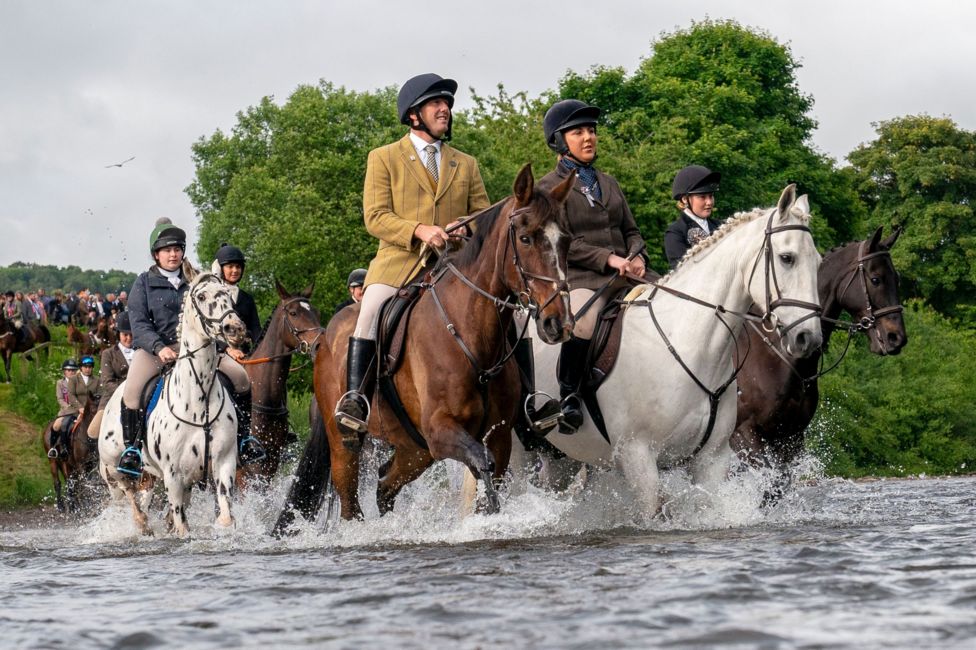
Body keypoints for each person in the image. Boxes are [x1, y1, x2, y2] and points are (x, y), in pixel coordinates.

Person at [333, 72, 491, 437]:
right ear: (414, 114)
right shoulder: (384, 157)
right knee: (370, 311)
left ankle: (529, 400)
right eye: (436, 103)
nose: (445, 109)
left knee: (504, 314)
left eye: (447, 103)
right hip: (399, 265)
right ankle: (356, 400)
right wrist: (419, 230)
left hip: (456, 267)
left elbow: (484, 216)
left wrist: (465, 226)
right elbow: (375, 216)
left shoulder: (465, 163)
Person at [117, 218, 264, 478]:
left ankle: (244, 441)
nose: (173, 254)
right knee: (131, 391)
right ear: (156, 254)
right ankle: (133, 449)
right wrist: (158, 346)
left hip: (201, 349)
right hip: (155, 350)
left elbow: (213, 315)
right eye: (167, 250)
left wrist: (224, 345)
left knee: (241, 379)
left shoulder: (196, 280)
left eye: (177, 249)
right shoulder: (144, 283)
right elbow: (138, 323)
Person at [538, 99, 648, 434]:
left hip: (627, 273)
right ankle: (569, 394)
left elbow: (631, 230)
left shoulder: (609, 183)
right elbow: (563, 240)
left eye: (591, 131)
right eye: (578, 132)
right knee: (583, 321)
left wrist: (637, 254)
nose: (589, 138)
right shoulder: (547, 189)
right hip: (585, 276)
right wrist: (608, 259)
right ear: (559, 141)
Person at [88, 312, 134, 452]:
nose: (129, 338)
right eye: (125, 334)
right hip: (112, 397)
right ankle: (95, 460)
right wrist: (126, 393)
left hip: (139, 397)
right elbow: (107, 382)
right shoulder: (108, 354)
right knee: (92, 432)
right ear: (118, 334)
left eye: (131, 334)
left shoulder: (141, 352)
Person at [663, 165, 722, 269]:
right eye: (702, 197)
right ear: (685, 199)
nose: (709, 202)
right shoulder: (675, 233)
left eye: (711, 196)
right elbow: (681, 273)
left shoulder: (721, 226)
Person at [211, 243, 262, 354]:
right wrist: (226, 348)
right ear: (221, 269)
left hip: (244, 352)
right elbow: (210, 330)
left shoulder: (247, 298)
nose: (235, 270)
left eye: (238, 267)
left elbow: (255, 328)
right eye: (230, 266)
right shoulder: (213, 297)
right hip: (220, 353)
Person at [50, 359, 85, 459]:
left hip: (79, 411)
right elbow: (60, 398)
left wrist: (80, 409)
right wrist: (68, 407)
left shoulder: (80, 383)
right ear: (64, 371)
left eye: (73, 370)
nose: (71, 372)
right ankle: (53, 447)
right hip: (66, 411)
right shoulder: (60, 383)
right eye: (69, 370)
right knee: (56, 425)